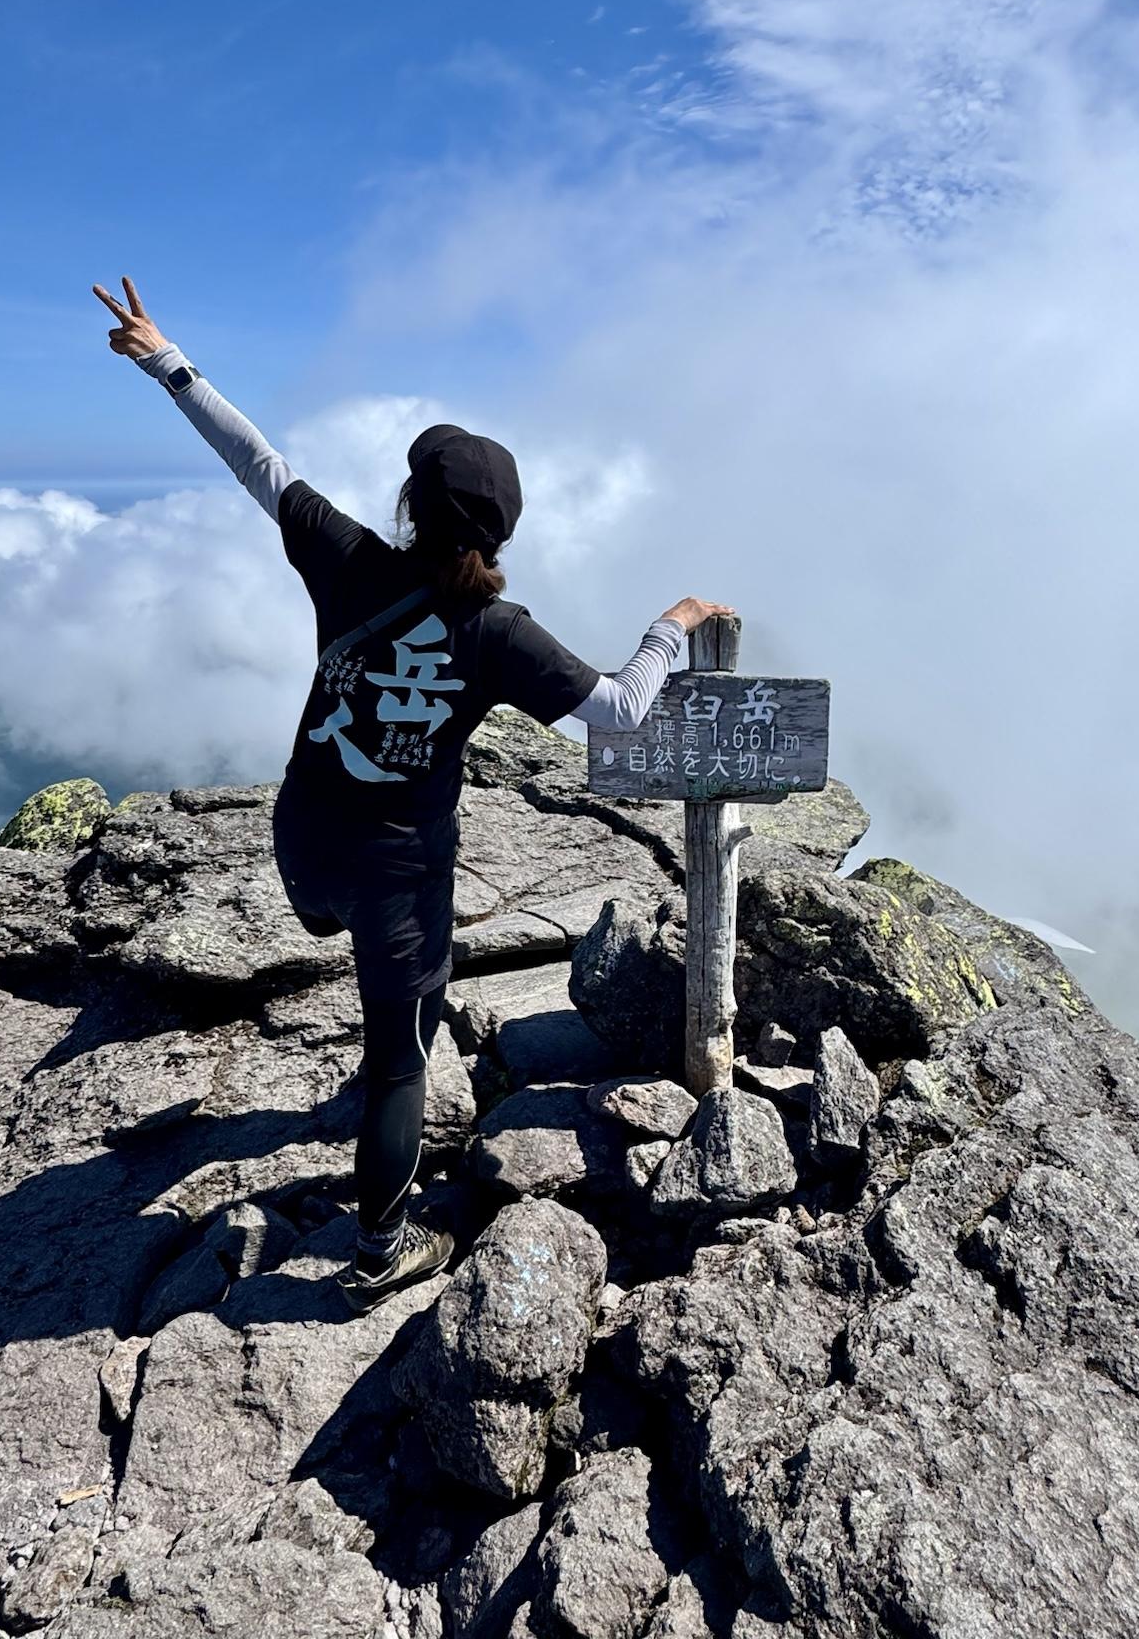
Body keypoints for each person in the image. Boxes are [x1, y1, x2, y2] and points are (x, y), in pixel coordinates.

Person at [94, 276, 735, 1313]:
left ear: (411, 509)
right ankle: (383, 1246)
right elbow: (620, 710)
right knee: (399, 1065)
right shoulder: (501, 634)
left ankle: (386, 1044)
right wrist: (676, 621)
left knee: (411, 987)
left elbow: (257, 461)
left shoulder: (346, 558)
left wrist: (166, 359)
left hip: (305, 844)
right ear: (501, 534)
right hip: (396, 871)